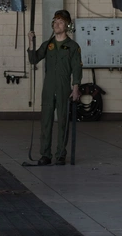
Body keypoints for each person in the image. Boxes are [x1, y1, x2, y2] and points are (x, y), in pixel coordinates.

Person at [27, 9, 82, 166]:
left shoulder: (72, 46)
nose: (56, 25)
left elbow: (77, 68)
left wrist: (76, 88)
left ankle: (60, 155)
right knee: (46, 121)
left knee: (63, 120)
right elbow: (33, 59)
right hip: (49, 87)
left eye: (60, 22)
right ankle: (45, 154)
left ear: (67, 26)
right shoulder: (48, 45)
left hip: (64, 87)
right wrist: (31, 42)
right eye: (55, 22)